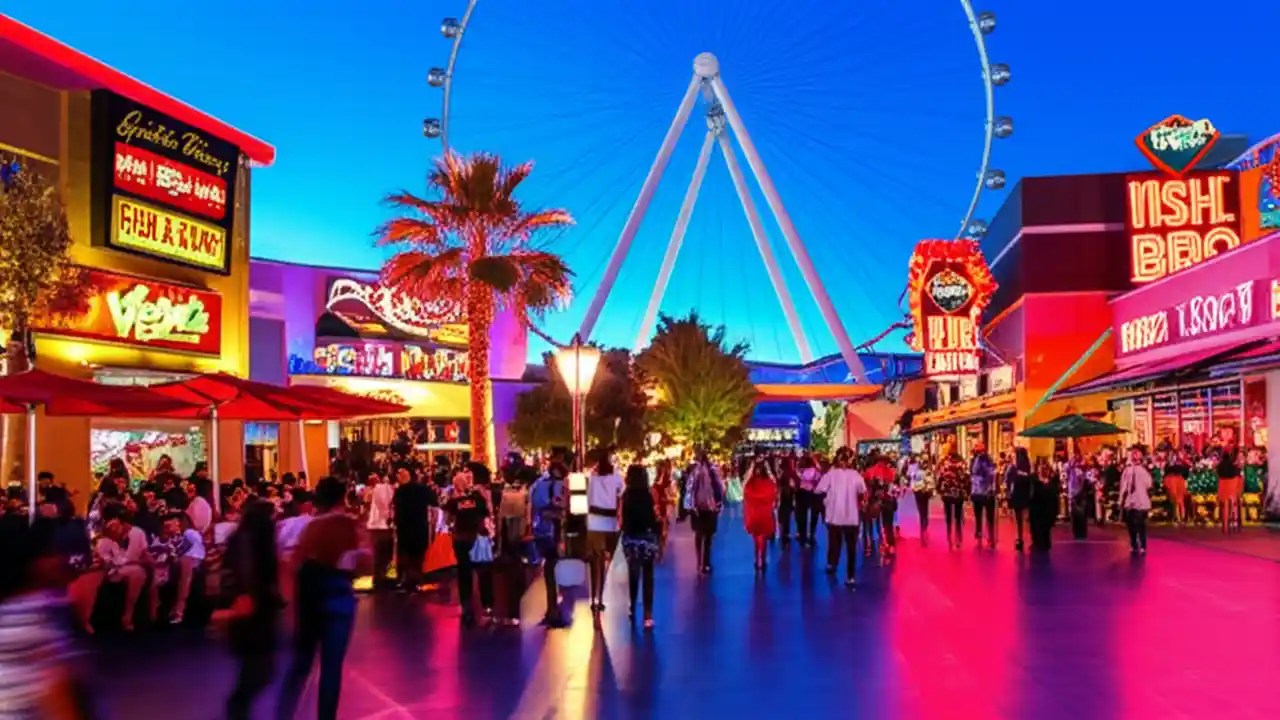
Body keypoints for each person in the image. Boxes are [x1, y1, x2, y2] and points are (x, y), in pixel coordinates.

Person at [276, 477, 370, 720]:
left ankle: (283, 714)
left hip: (310, 595)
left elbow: (293, 562)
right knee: (331, 666)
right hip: (338, 593)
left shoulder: (310, 527)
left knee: (301, 663)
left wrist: (289, 606)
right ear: (342, 497)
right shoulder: (351, 525)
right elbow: (367, 563)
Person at [0, 514, 95, 719]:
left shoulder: (22, 611)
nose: (58, 559)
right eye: (50, 552)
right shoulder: (33, 621)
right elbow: (58, 699)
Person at [216, 499, 280, 720]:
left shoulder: (242, 538)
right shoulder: (252, 541)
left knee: (256, 670)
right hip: (253, 611)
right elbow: (250, 573)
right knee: (259, 670)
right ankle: (236, 712)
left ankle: (237, 711)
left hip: (252, 610)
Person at [444, 470, 495, 626]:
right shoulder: (476, 498)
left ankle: (467, 607)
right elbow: (486, 512)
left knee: (464, 574)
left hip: (461, 539)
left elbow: (448, 519)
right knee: (483, 572)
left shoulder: (453, 501)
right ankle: (487, 605)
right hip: (477, 538)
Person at [815, 447, 867, 588]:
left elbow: (819, 489)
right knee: (851, 548)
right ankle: (850, 576)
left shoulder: (831, 475)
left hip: (835, 516)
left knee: (834, 542)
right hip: (851, 517)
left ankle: (832, 563)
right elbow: (863, 491)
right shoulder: (856, 475)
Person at [96, 504, 150, 631]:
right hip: (114, 570)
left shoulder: (138, 533)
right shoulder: (106, 540)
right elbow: (106, 560)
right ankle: (128, 614)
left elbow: (144, 553)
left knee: (142, 572)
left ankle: (145, 614)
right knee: (137, 572)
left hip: (130, 567)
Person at [619, 465, 659, 628]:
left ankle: (632, 607)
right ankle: (648, 614)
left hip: (631, 539)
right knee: (648, 575)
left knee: (633, 574)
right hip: (647, 538)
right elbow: (654, 516)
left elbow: (621, 520)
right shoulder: (649, 495)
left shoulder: (625, 496)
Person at [584, 453, 624, 611]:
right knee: (606, 563)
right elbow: (621, 496)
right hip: (610, 522)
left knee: (595, 562)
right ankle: (600, 597)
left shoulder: (592, 477)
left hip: (594, 521)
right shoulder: (616, 477)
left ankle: (593, 598)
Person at [530, 461, 567, 627]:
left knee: (549, 570)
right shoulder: (562, 485)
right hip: (555, 531)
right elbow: (564, 505)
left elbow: (534, 504)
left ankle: (552, 609)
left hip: (542, 530)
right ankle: (555, 611)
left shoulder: (539, 485)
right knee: (554, 569)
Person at [392, 467, 434, 593]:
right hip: (419, 526)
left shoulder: (399, 491)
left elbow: (396, 508)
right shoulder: (423, 490)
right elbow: (433, 502)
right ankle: (416, 580)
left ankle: (405, 580)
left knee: (405, 554)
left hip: (404, 527)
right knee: (417, 555)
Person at [685, 451, 725, 574]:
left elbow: (689, 488)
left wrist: (690, 506)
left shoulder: (694, 471)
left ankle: (699, 562)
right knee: (708, 537)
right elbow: (720, 487)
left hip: (697, 508)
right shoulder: (713, 470)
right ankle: (706, 563)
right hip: (710, 508)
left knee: (698, 535)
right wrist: (719, 504)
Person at [742, 457, 778, 571]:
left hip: (754, 513)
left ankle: (757, 559)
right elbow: (773, 491)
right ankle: (762, 559)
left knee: (756, 538)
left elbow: (744, 487)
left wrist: (751, 467)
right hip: (764, 512)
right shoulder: (768, 482)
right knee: (763, 538)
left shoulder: (751, 483)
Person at [362, 472, 395, 590]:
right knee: (384, 552)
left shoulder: (374, 490)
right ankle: (382, 576)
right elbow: (385, 506)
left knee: (378, 552)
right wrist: (388, 517)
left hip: (376, 525)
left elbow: (368, 504)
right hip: (384, 525)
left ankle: (379, 577)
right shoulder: (386, 489)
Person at [1120, 447, 1154, 554]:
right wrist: (1121, 499)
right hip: (1132, 501)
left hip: (1140, 501)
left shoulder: (1142, 471)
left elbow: (1149, 484)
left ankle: (1140, 545)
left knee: (1138, 525)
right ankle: (1135, 544)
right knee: (1133, 525)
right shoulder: (1129, 471)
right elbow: (1124, 487)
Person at [937, 450, 969, 550]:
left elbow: (940, 477)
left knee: (949, 516)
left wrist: (939, 490)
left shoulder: (945, 463)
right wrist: (966, 491)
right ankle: (958, 537)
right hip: (958, 493)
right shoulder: (962, 463)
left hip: (947, 493)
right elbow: (966, 477)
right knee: (958, 516)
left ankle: (949, 534)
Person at [1005, 448, 1033, 551]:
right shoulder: (1027, 467)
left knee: (1018, 518)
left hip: (1017, 493)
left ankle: (1019, 538)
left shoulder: (1013, 467)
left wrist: (1008, 491)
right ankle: (1027, 538)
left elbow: (1007, 479)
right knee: (1025, 517)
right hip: (1023, 493)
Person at [969, 443, 997, 548]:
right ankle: (988, 535)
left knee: (980, 514)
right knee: (987, 515)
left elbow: (973, 473)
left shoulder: (978, 461)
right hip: (983, 491)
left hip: (980, 491)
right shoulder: (988, 460)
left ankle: (983, 533)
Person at [1029, 460, 1060, 552]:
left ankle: (1043, 543)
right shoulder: (1035, 480)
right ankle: (1039, 543)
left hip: (1046, 509)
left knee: (1044, 527)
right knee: (1038, 527)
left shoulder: (1050, 482)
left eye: (1045, 468)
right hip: (1038, 508)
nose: (1043, 470)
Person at [651, 459, 677, 561]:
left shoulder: (667, 481)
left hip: (663, 508)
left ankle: (660, 549)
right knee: (661, 530)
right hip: (661, 508)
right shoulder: (659, 482)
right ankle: (659, 549)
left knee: (662, 530)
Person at [795, 454, 822, 547]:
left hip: (803, 493)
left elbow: (806, 478)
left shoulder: (801, 471)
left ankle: (804, 534)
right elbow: (818, 477)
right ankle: (809, 534)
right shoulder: (814, 470)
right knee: (811, 515)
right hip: (810, 493)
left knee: (803, 515)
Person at [907, 456, 934, 545]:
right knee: (924, 510)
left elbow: (911, 479)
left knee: (921, 510)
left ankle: (923, 526)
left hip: (918, 493)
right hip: (924, 493)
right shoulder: (927, 472)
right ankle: (924, 525)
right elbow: (931, 483)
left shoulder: (916, 472)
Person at [1216, 446, 1242, 535]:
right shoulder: (1233, 466)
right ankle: (1234, 520)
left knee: (1224, 506)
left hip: (1223, 486)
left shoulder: (1220, 465)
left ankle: (1225, 525)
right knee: (1234, 503)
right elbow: (1237, 475)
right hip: (1232, 486)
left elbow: (1218, 475)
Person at [1066, 454, 1091, 540]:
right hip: (1073, 495)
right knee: (1075, 517)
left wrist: (1078, 492)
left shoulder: (1078, 471)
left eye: (1074, 460)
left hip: (1079, 496)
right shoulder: (1070, 471)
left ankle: (1081, 534)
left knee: (1080, 516)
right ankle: (1077, 533)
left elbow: (1082, 483)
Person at [1164, 450, 1191, 527]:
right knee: (1177, 501)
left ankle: (1180, 518)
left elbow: (1187, 473)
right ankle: (1178, 518)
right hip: (1174, 482)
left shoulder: (1183, 465)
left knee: (1179, 501)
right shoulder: (1172, 465)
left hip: (1179, 482)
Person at [776, 456, 798, 544]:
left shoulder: (783, 473)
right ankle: (786, 532)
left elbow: (779, 483)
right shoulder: (791, 472)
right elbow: (794, 484)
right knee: (787, 514)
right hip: (788, 495)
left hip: (784, 495)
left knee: (783, 513)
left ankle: (783, 531)